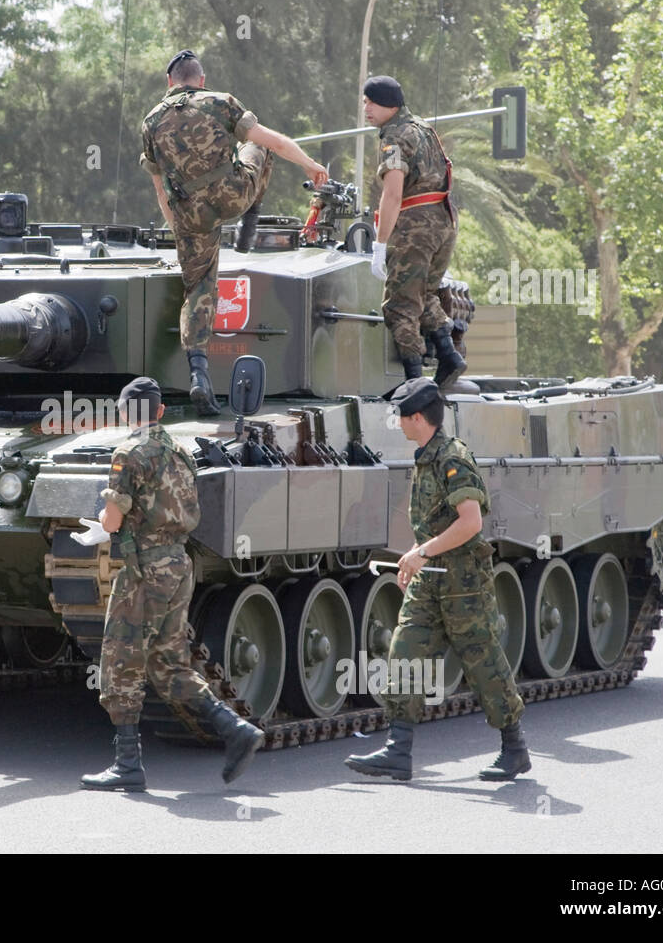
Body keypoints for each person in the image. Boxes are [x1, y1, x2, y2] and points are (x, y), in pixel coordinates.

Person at [81, 376, 266, 791]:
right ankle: (235, 727)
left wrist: (103, 527)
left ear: (126, 411)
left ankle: (127, 765)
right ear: (161, 411)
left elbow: (113, 518)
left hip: (143, 571)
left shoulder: (129, 452)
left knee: (120, 662)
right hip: (177, 564)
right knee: (169, 665)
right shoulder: (180, 450)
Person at [346, 377, 529, 782]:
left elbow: (471, 523)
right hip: (431, 581)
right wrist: (416, 561)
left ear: (417, 418)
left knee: (483, 665)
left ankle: (514, 749)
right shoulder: (426, 456)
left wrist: (420, 552)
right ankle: (398, 750)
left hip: (464, 585)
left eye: (401, 416)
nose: (398, 423)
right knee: (404, 653)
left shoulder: (452, 458)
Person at [141, 50, 329, 416]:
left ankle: (198, 371)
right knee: (256, 143)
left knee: (198, 288)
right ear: (201, 79)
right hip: (233, 195)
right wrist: (309, 163)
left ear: (169, 82)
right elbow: (271, 141)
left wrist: (176, 226)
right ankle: (249, 225)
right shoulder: (220, 102)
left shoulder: (150, 121)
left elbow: (159, 186)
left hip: (190, 213)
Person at [363, 75, 466, 387]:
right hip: (444, 220)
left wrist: (380, 245)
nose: (365, 108)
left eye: (371, 102)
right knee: (424, 295)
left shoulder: (393, 137)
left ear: (389, 106)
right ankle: (449, 356)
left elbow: (393, 194)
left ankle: (413, 383)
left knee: (399, 306)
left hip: (416, 226)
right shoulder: (423, 127)